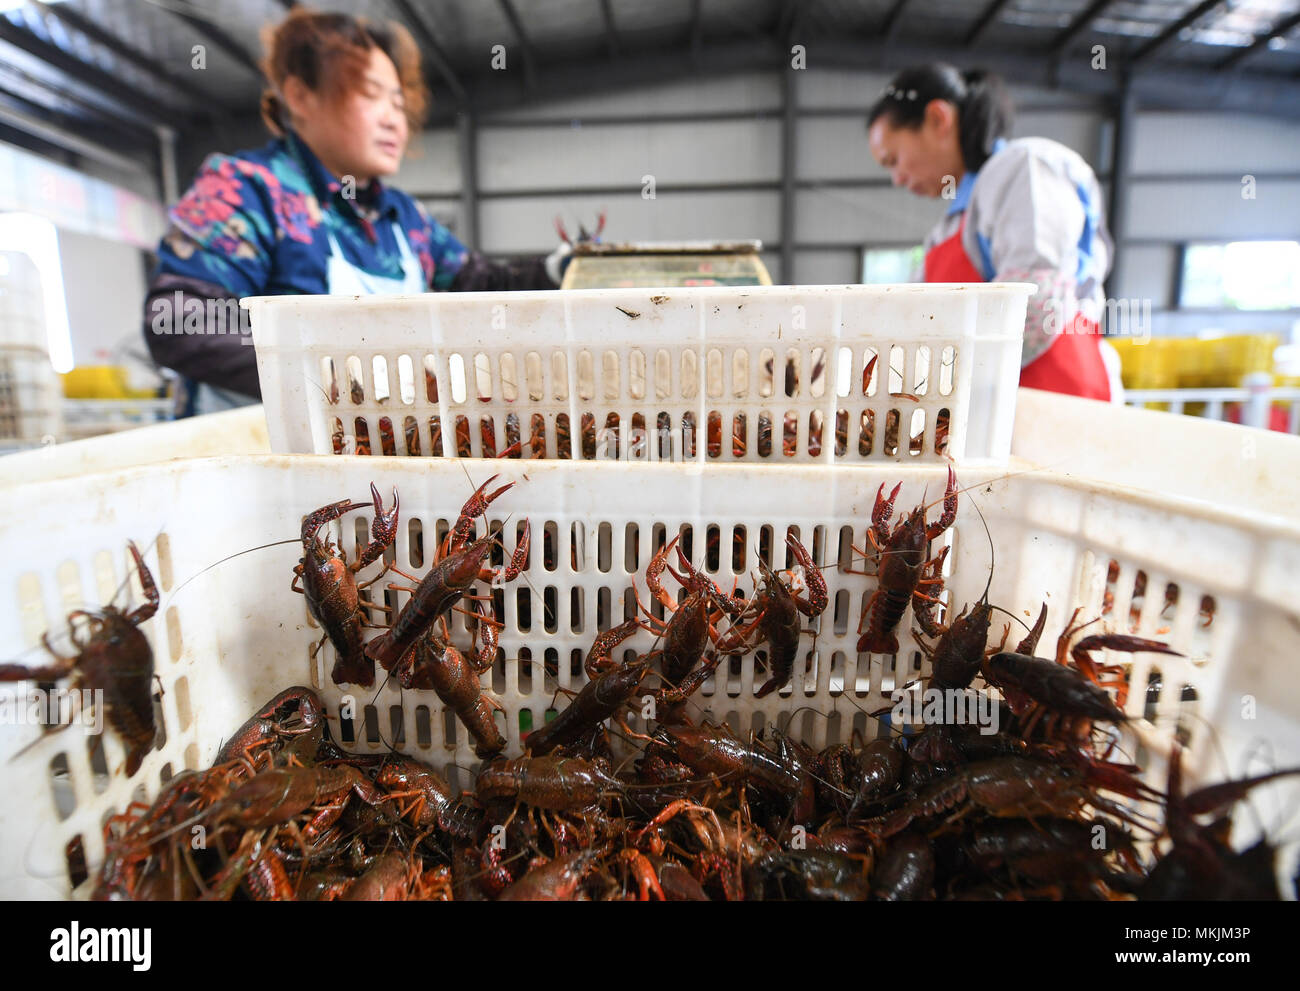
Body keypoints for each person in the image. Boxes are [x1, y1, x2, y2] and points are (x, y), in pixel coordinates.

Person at [143, 8, 568, 416]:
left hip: (373, 446)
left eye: (398, 104)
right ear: (300, 96)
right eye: (370, 95)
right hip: (256, 450)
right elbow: (179, 319)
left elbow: (481, 285)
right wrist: (323, 374)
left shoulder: (403, 218)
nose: (394, 121)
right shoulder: (248, 189)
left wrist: (561, 268)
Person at [867, 64, 1121, 402]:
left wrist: (938, 382)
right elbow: (908, 322)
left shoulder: (1024, 167)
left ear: (938, 119)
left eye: (893, 160)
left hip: (1060, 397)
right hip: (993, 407)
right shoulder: (947, 230)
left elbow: (1037, 302)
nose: (897, 179)